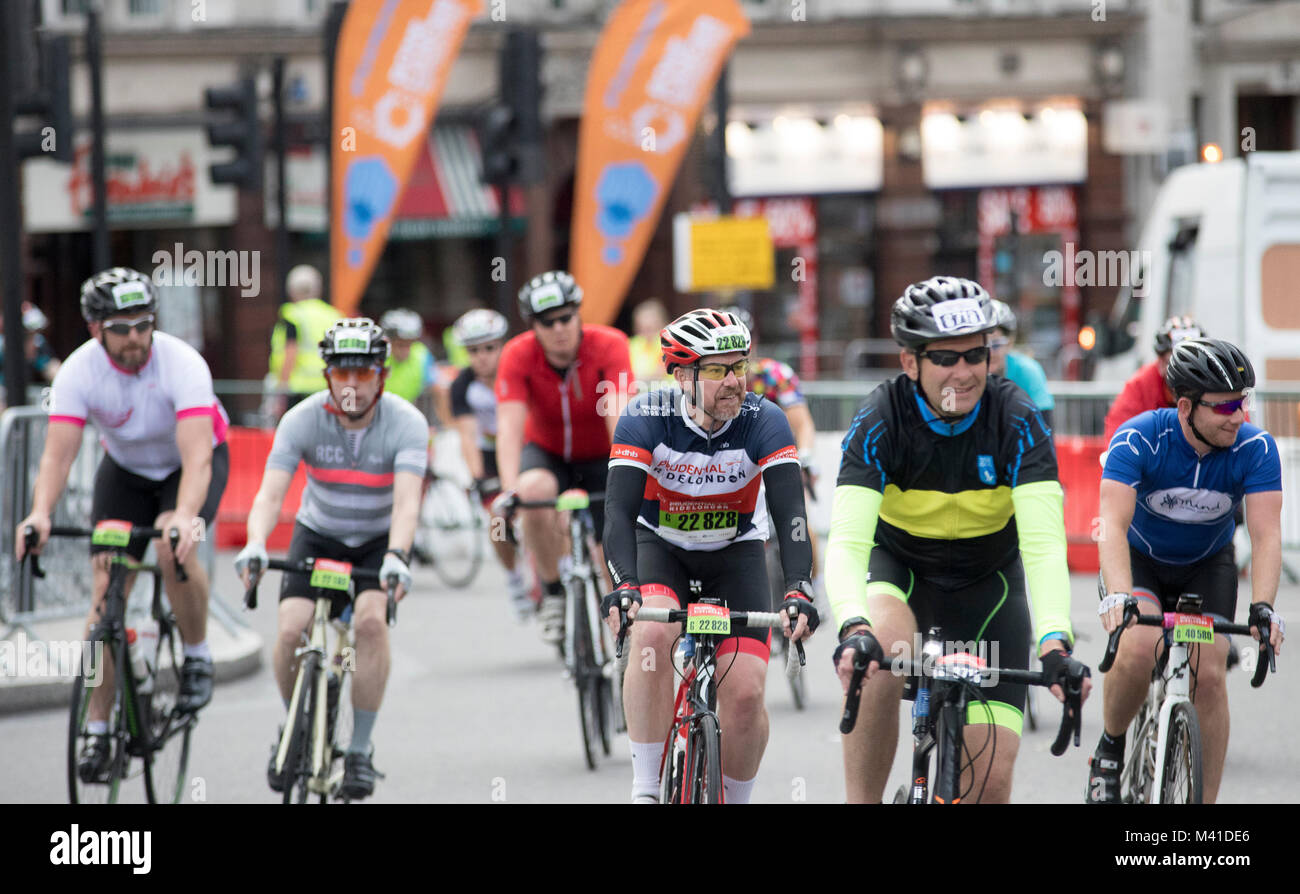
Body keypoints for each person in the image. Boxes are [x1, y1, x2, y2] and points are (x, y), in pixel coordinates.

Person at [825, 275, 1091, 804]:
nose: (965, 372)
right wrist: (853, 625)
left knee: (988, 786)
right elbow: (849, 544)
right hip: (899, 572)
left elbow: (1042, 544)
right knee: (876, 662)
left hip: (987, 585)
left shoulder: (1016, 420)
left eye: (976, 354)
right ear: (910, 363)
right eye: (946, 358)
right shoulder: (880, 419)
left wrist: (1056, 640)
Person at [15, 267, 230, 780]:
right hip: (127, 472)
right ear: (95, 329)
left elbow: (198, 457)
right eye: (121, 327)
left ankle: (197, 655)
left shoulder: (182, 364)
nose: (135, 338)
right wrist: (40, 513)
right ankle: (97, 727)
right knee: (102, 595)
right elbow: (57, 457)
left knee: (171, 545)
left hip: (192, 464)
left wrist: (183, 518)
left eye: (143, 324)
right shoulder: (78, 373)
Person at [600, 307, 818, 804]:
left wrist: (798, 585)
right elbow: (617, 514)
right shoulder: (645, 418)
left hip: (736, 555)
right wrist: (624, 586)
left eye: (739, 366)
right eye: (717, 369)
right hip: (661, 549)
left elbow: (791, 516)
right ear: (681, 375)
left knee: (744, 695)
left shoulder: (766, 421)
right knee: (652, 635)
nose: (734, 381)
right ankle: (646, 790)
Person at [235, 317, 427, 800]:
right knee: (289, 629)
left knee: (368, 626)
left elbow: (407, 504)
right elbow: (269, 494)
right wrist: (256, 541)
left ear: (382, 375)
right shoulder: (301, 418)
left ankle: (359, 751)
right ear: (326, 377)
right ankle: (296, 724)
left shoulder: (406, 422)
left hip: (377, 541)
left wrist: (399, 555)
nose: (352, 385)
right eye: (342, 374)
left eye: (363, 374)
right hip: (318, 534)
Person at [1088, 337, 1285, 804]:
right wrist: (1119, 597)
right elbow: (1111, 526)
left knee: (1210, 673)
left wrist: (1263, 607)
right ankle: (1110, 750)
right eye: (1225, 407)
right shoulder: (1139, 438)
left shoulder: (1255, 449)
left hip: (1206, 567)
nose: (1238, 415)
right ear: (1185, 407)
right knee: (1137, 649)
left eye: (1244, 401)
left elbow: (1266, 535)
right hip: (1141, 562)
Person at [491, 270, 635, 645]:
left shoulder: (610, 344)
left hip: (602, 455)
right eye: (547, 322)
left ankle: (622, 641)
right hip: (549, 452)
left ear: (578, 314)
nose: (559, 328)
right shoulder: (517, 354)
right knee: (531, 491)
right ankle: (553, 591)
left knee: (611, 551)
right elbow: (509, 427)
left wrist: (629, 477)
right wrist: (510, 491)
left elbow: (618, 416)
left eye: (566, 317)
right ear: (533, 325)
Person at [723, 306, 825, 598]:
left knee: (800, 520)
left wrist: (805, 459)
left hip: (779, 459)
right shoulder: (708, 377)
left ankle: (811, 585)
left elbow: (802, 424)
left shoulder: (774, 374)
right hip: (734, 464)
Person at [447, 308, 530, 617]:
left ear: (502, 345)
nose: (482, 356)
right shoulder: (462, 386)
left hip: (526, 449)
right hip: (490, 459)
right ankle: (514, 577)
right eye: (473, 350)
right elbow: (467, 436)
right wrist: (477, 476)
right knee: (497, 524)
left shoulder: (520, 372)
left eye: (489, 348)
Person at [1102, 315, 1204, 442]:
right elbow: (1118, 434)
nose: (1185, 371)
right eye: (1175, 362)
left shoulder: (1216, 384)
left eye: (1193, 362)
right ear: (1160, 363)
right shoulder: (1141, 386)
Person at [267, 264, 340, 417]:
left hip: (299, 389)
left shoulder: (293, 315)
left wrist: (281, 391)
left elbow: (290, 353)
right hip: (329, 386)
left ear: (292, 291)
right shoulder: (333, 315)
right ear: (318, 289)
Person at [987, 300, 1055, 432]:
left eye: (996, 344)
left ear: (1009, 343)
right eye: (982, 346)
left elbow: (1045, 427)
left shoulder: (1027, 370)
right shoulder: (967, 372)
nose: (989, 353)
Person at [0, 303, 62, 410]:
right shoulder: (2, 349)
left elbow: (54, 369)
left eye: (35, 333)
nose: (33, 342)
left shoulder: (39, 344)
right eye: (28, 335)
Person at [627, 298, 672, 388]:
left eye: (651, 328)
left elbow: (658, 374)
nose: (647, 334)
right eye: (642, 329)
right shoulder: (631, 344)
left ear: (663, 325)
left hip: (664, 397)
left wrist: (631, 379)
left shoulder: (668, 345)